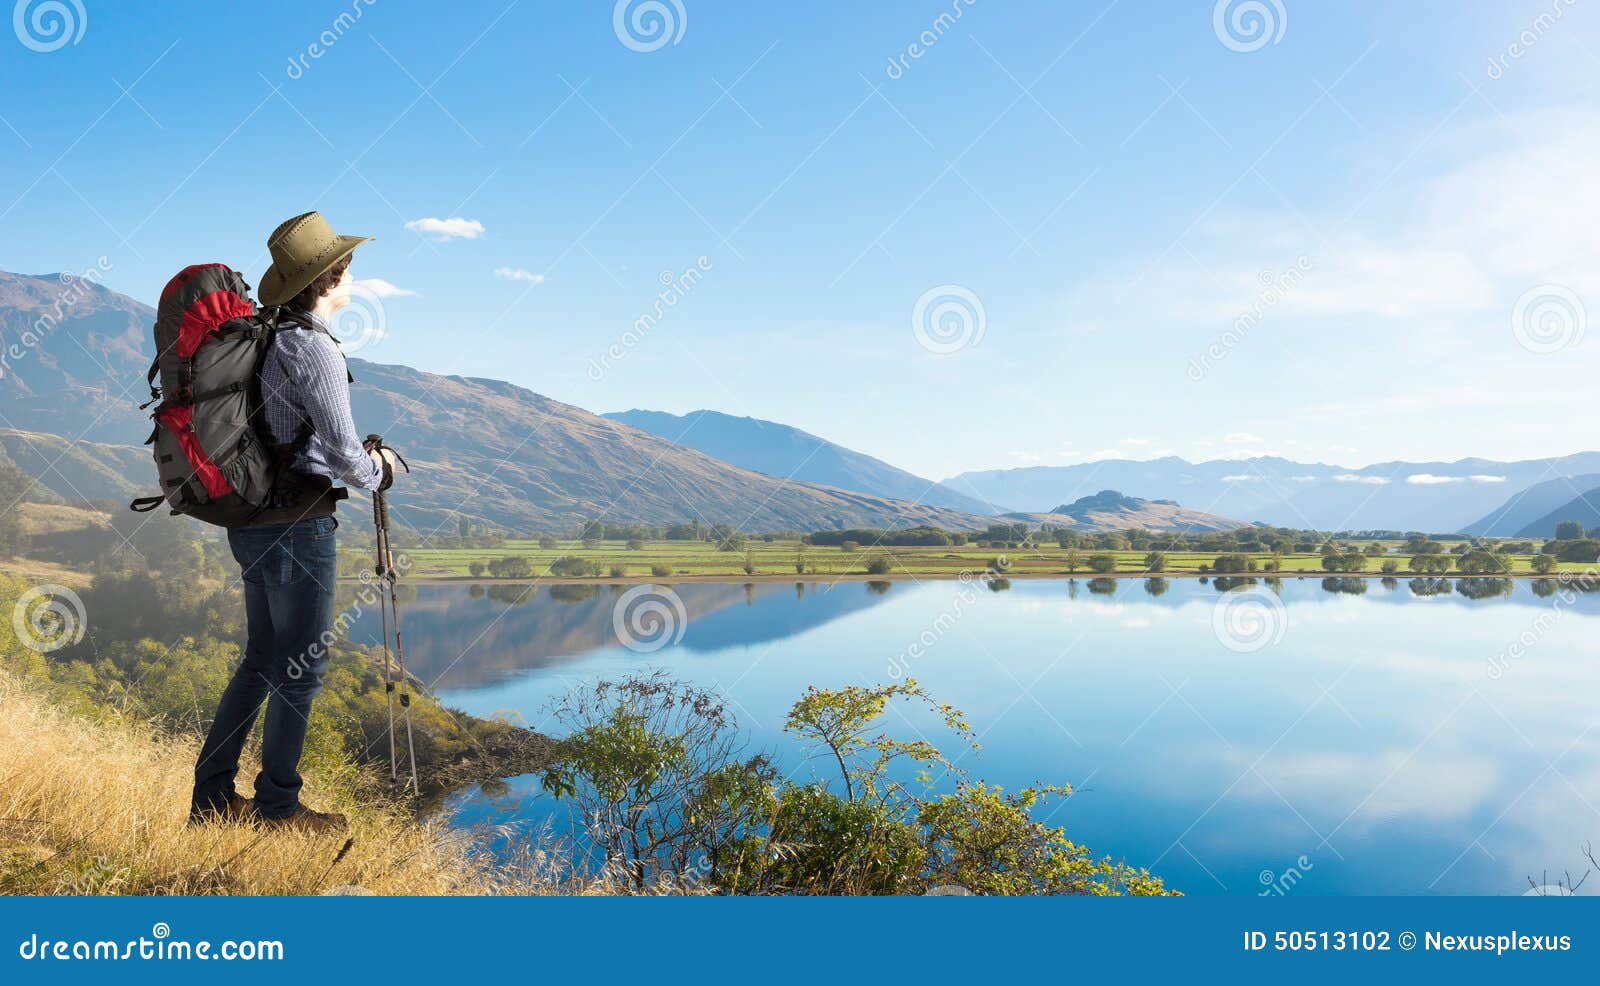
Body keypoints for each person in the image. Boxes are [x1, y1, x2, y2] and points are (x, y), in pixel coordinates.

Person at [189, 211, 403, 833]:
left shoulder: (263, 337)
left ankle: (212, 798)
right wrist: (380, 469)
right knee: (300, 666)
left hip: (250, 518)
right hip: (297, 525)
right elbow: (340, 451)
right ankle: (278, 807)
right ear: (333, 279)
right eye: (348, 267)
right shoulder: (312, 348)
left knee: (261, 657)